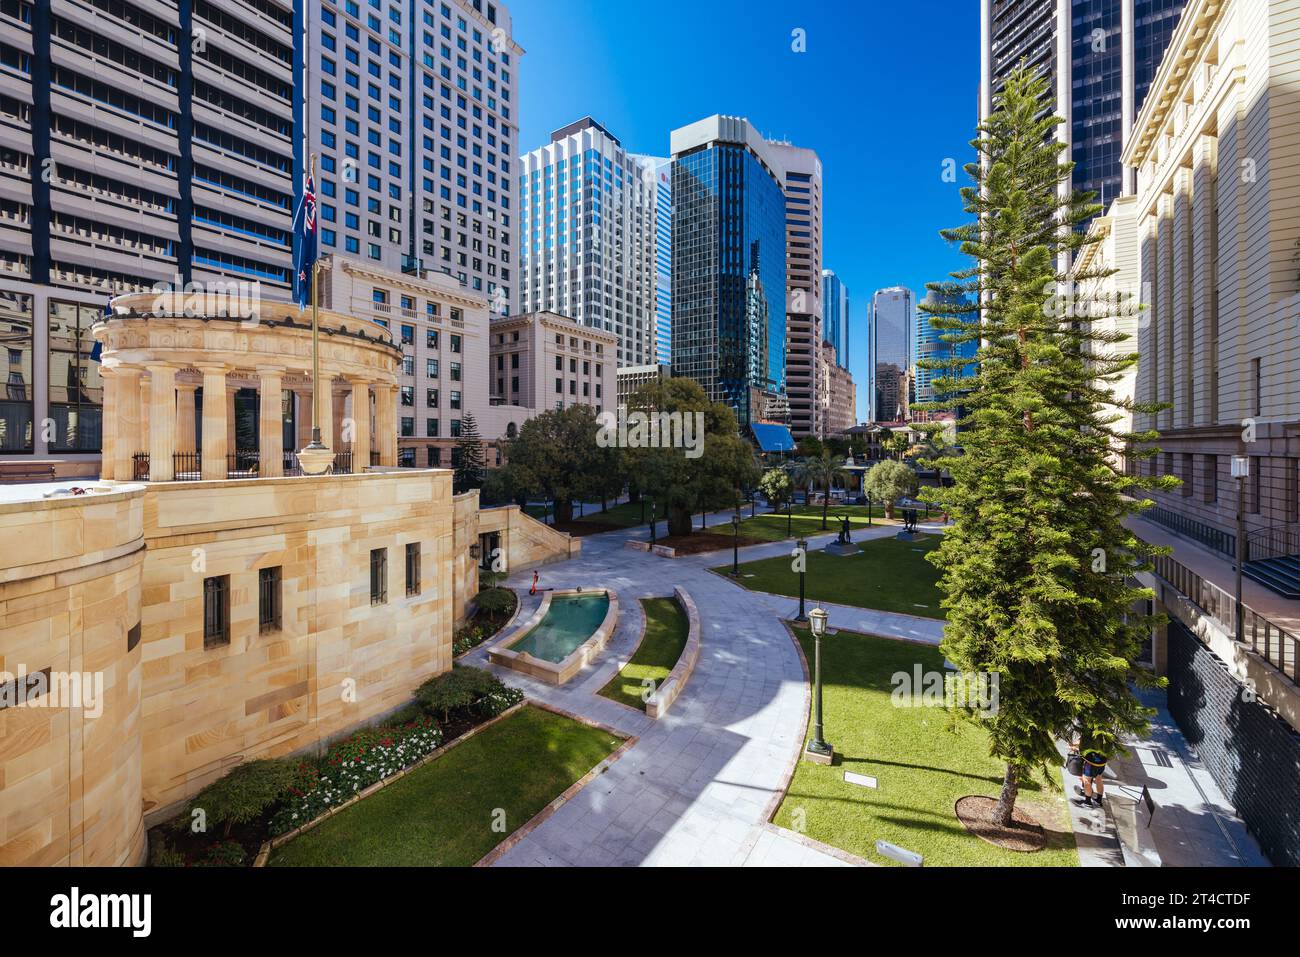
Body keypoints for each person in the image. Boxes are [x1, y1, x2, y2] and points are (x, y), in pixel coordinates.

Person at [1073, 727, 1111, 807]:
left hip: (1091, 762)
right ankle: (1098, 800)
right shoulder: (1104, 730)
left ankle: (1087, 802)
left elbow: (1084, 747)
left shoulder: (1089, 731)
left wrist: (1075, 747)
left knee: (1086, 780)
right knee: (1098, 779)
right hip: (1102, 761)